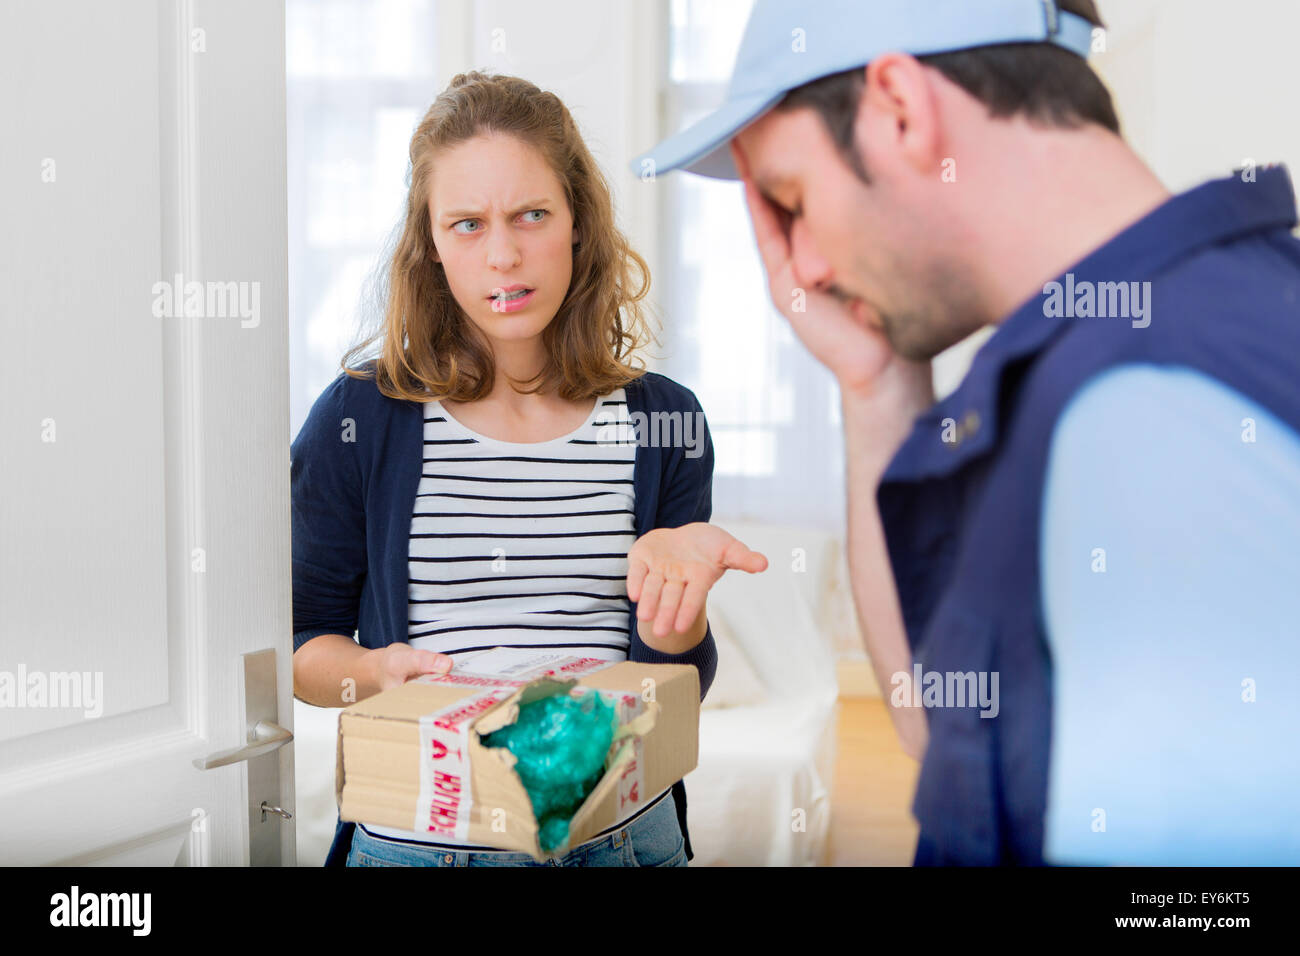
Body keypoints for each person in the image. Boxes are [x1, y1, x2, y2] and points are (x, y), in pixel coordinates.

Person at [632, 0, 1300, 864]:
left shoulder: (1143, 410)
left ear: (901, 108)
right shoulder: (1122, 350)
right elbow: (945, 726)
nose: (804, 270)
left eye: (794, 199)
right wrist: (874, 385)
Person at [291, 70, 767, 867]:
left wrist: (673, 627)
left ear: (577, 221)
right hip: (421, 844)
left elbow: (674, 680)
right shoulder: (360, 419)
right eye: (467, 224)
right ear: (430, 244)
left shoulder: (662, 422)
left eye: (532, 215)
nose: (503, 256)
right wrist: (375, 671)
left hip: (624, 840)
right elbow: (304, 644)